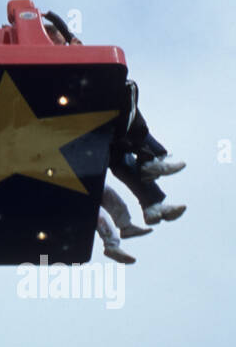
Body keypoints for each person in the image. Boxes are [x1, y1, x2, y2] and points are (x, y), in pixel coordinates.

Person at [44, 15, 186, 226]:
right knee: (128, 90)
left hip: (92, 123)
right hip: (72, 122)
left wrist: (72, 43)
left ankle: (153, 205)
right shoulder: (49, 60)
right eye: (56, 38)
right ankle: (153, 158)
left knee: (118, 156)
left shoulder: (70, 54)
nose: (61, 42)